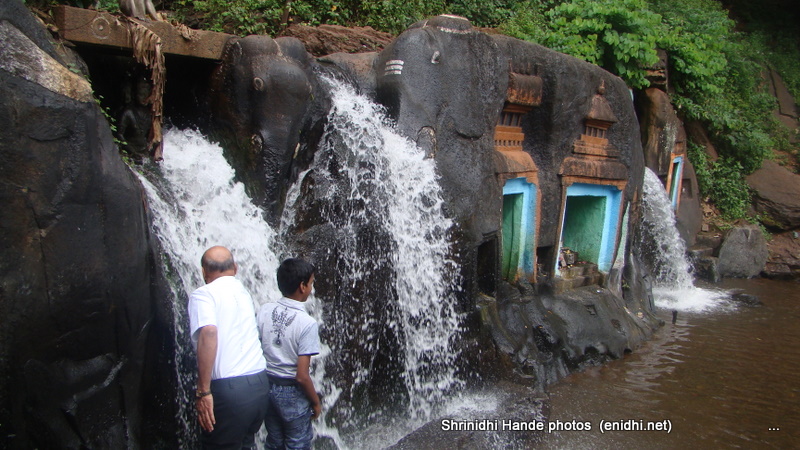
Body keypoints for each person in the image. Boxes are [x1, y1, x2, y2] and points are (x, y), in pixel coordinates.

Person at [188, 246, 270, 449]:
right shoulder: (242, 291)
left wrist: (203, 392)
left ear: (203, 272)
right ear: (235, 267)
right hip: (259, 384)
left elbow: (209, 332)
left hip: (230, 391)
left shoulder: (203, 295)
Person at [257, 258, 322, 450]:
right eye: (311, 283)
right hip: (292, 392)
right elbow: (301, 376)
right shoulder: (306, 323)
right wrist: (315, 402)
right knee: (297, 443)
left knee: (274, 440)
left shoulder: (264, 310)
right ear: (302, 286)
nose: (311, 287)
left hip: (266, 386)